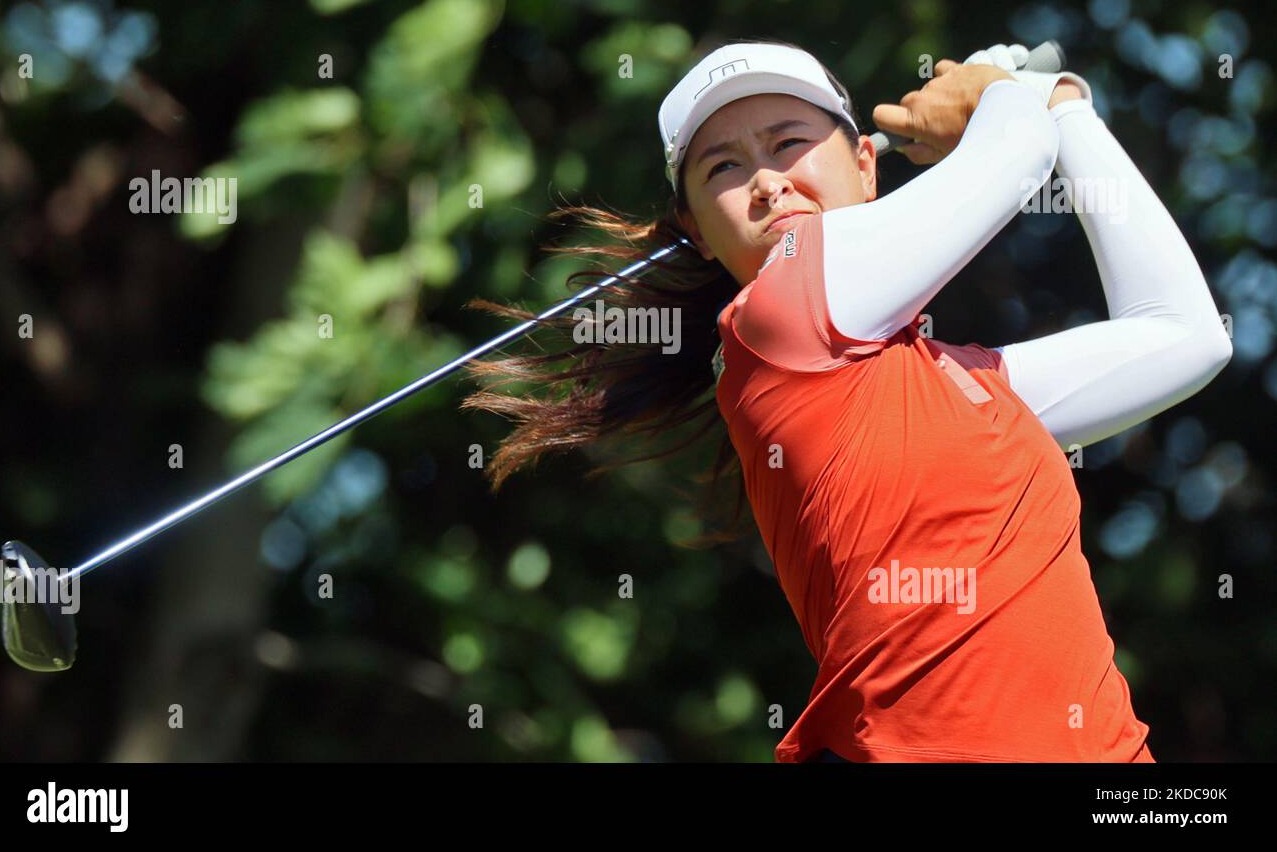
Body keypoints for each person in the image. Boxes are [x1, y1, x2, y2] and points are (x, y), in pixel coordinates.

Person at [462, 37, 1232, 763]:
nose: (766, 180)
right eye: (724, 167)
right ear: (695, 231)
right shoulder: (779, 315)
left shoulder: (953, 381)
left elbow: (1185, 336)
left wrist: (1064, 106)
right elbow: (1016, 154)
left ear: (867, 165)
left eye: (789, 142)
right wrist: (999, 95)